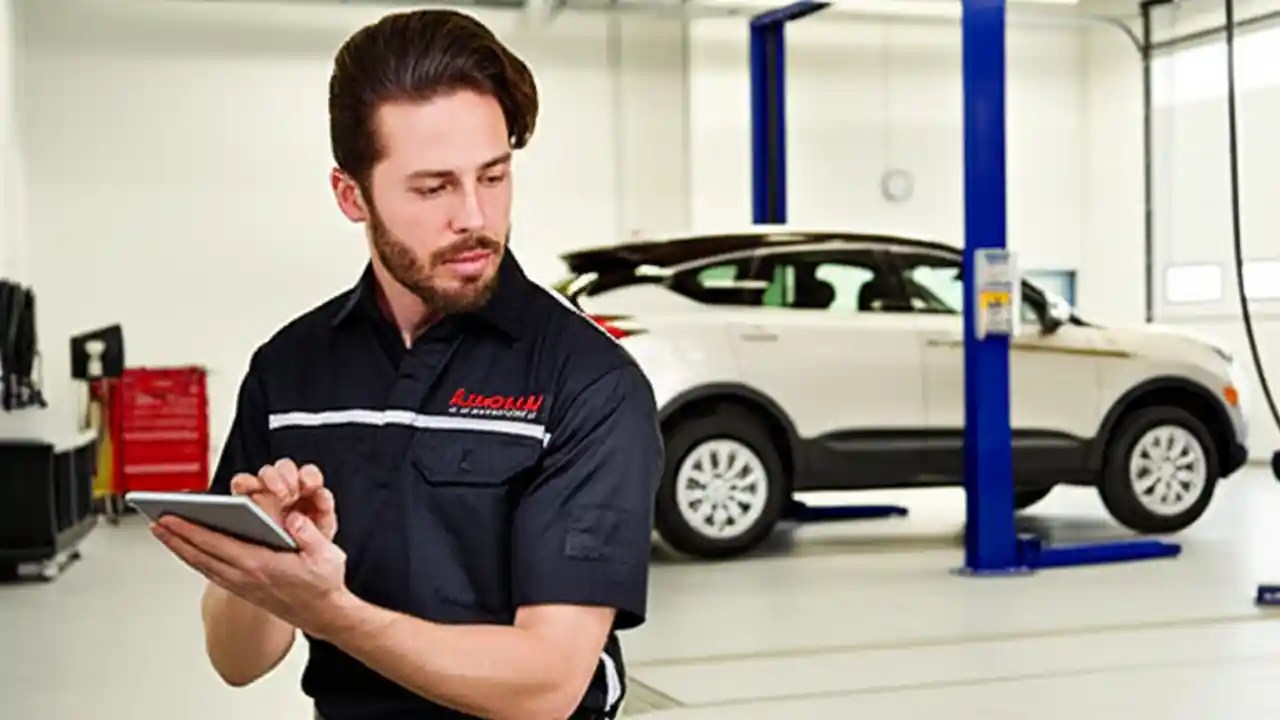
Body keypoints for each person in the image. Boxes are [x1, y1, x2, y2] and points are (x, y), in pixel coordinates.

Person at [148, 8, 663, 720]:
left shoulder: (588, 382)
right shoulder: (290, 371)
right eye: (433, 188)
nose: (475, 217)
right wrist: (270, 567)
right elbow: (237, 662)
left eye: (493, 176)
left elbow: (547, 685)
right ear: (351, 195)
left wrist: (332, 613)